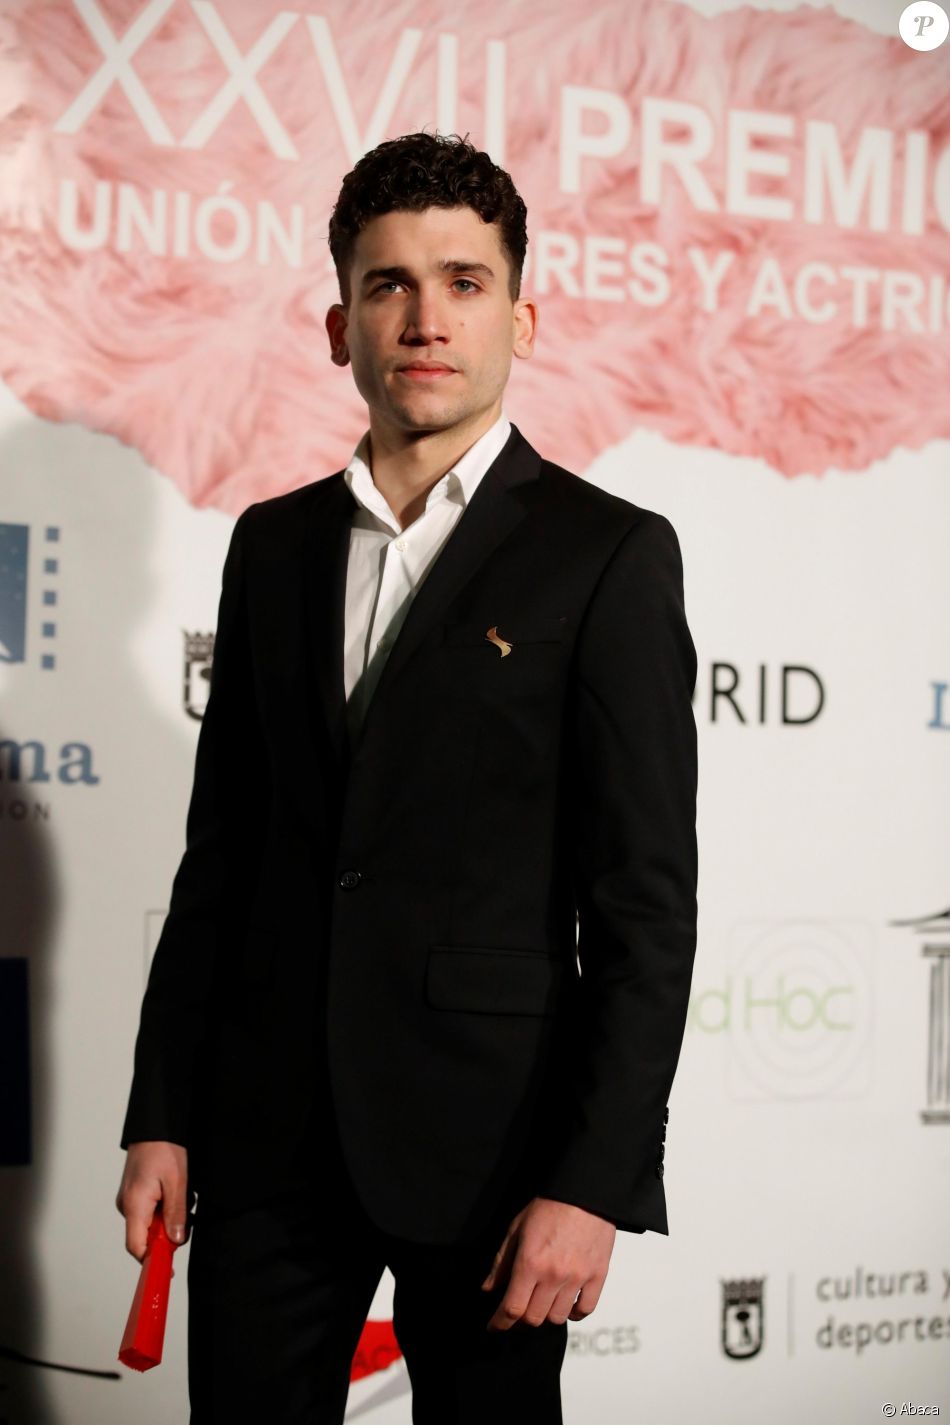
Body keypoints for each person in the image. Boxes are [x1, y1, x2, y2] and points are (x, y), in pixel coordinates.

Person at [115, 131, 698, 1424]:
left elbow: (646, 910)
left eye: (462, 281)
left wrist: (591, 1182)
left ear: (521, 317)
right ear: (338, 325)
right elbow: (222, 861)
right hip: (265, 1139)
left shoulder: (605, 557)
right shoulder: (271, 547)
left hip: (494, 1154)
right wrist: (162, 1112)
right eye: (387, 285)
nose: (424, 318)